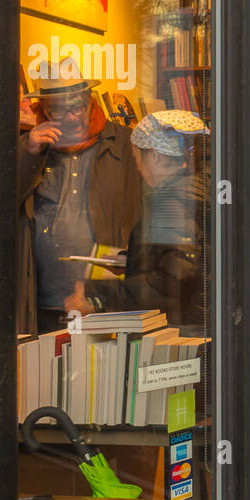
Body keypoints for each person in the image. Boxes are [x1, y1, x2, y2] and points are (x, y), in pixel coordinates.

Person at [18, 59, 141, 334]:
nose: (72, 117)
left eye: (78, 106)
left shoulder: (125, 143)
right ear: (43, 110)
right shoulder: (31, 147)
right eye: (60, 111)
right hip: (43, 303)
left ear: (90, 99)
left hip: (105, 301)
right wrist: (29, 151)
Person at [64, 110, 209, 331]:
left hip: (180, 327)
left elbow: (169, 283)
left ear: (155, 156)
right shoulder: (198, 191)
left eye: (136, 158)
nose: (138, 169)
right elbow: (181, 257)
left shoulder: (172, 202)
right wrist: (133, 260)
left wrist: (95, 295)